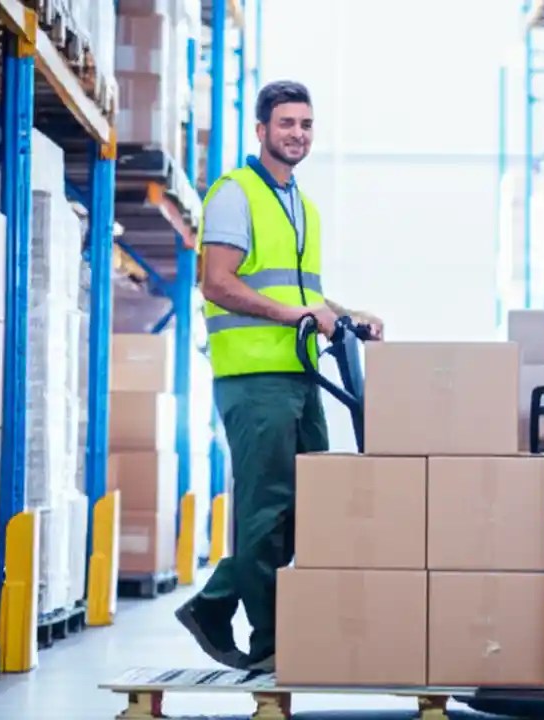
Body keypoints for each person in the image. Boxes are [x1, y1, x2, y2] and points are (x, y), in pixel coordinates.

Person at [175, 80, 384, 672]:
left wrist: (347, 315)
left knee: (309, 504)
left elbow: (302, 294)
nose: (298, 134)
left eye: (306, 124)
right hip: (253, 377)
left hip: (300, 375)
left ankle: (214, 603)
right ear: (261, 130)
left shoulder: (302, 206)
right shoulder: (234, 194)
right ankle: (268, 640)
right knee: (265, 510)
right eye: (286, 123)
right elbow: (217, 283)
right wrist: (299, 316)